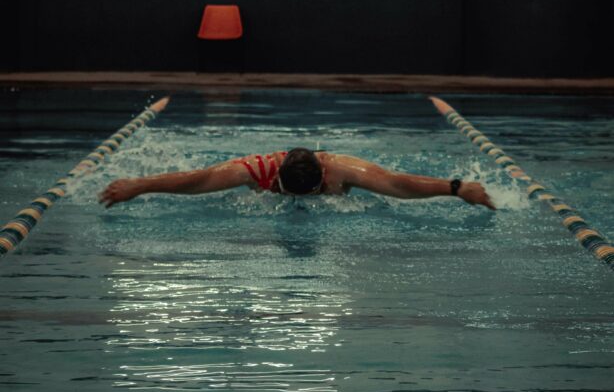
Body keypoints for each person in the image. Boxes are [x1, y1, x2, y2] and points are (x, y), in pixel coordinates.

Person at [99, 147, 495, 209]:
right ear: (276, 181)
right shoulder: (252, 170)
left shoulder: (344, 170)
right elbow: (196, 180)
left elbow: (395, 184)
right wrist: (139, 185)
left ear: (325, 177)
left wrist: (457, 188)